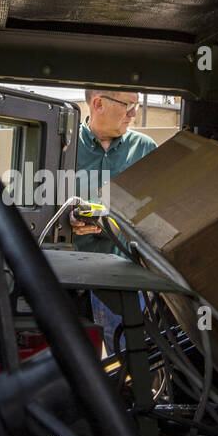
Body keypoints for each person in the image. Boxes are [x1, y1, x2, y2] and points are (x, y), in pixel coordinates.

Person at [70, 89, 157, 341]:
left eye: (137, 106)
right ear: (98, 104)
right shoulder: (63, 145)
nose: (134, 114)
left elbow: (160, 213)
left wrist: (117, 223)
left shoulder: (146, 149)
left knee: (136, 365)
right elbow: (33, 205)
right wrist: (69, 217)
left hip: (128, 284)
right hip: (72, 282)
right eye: (128, 104)